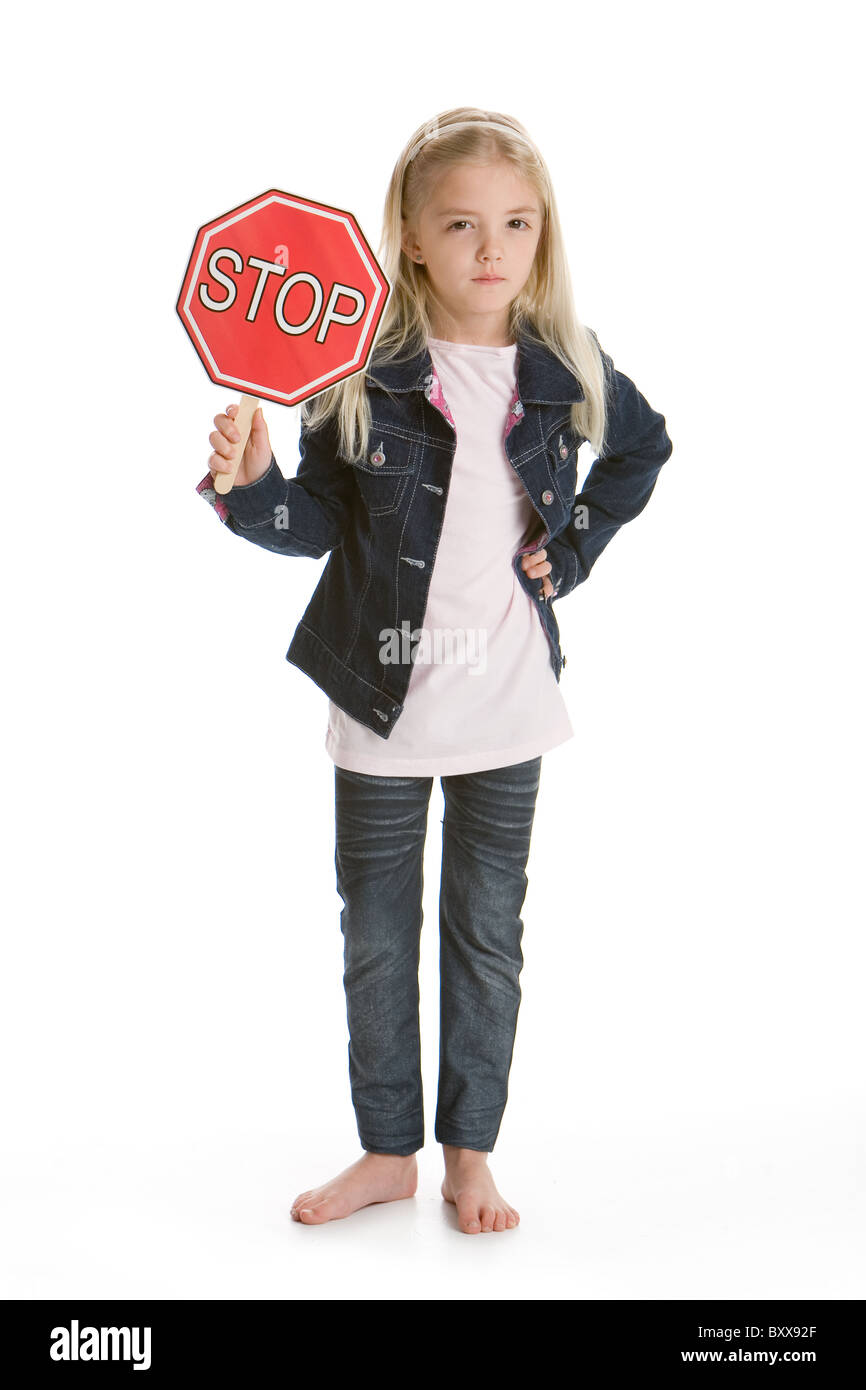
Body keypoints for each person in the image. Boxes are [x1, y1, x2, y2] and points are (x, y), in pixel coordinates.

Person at [196, 107, 673, 1235]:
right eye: (459, 224)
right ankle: (384, 1148)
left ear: (541, 229)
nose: (489, 247)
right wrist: (250, 485)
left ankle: (470, 1155)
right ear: (410, 236)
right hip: (381, 696)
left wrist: (576, 545)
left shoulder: (566, 362)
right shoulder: (361, 369)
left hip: (507, 703)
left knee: (484, 932)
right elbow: (315, 524)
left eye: (513, 221)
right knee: (373, 930)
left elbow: (644, 449)